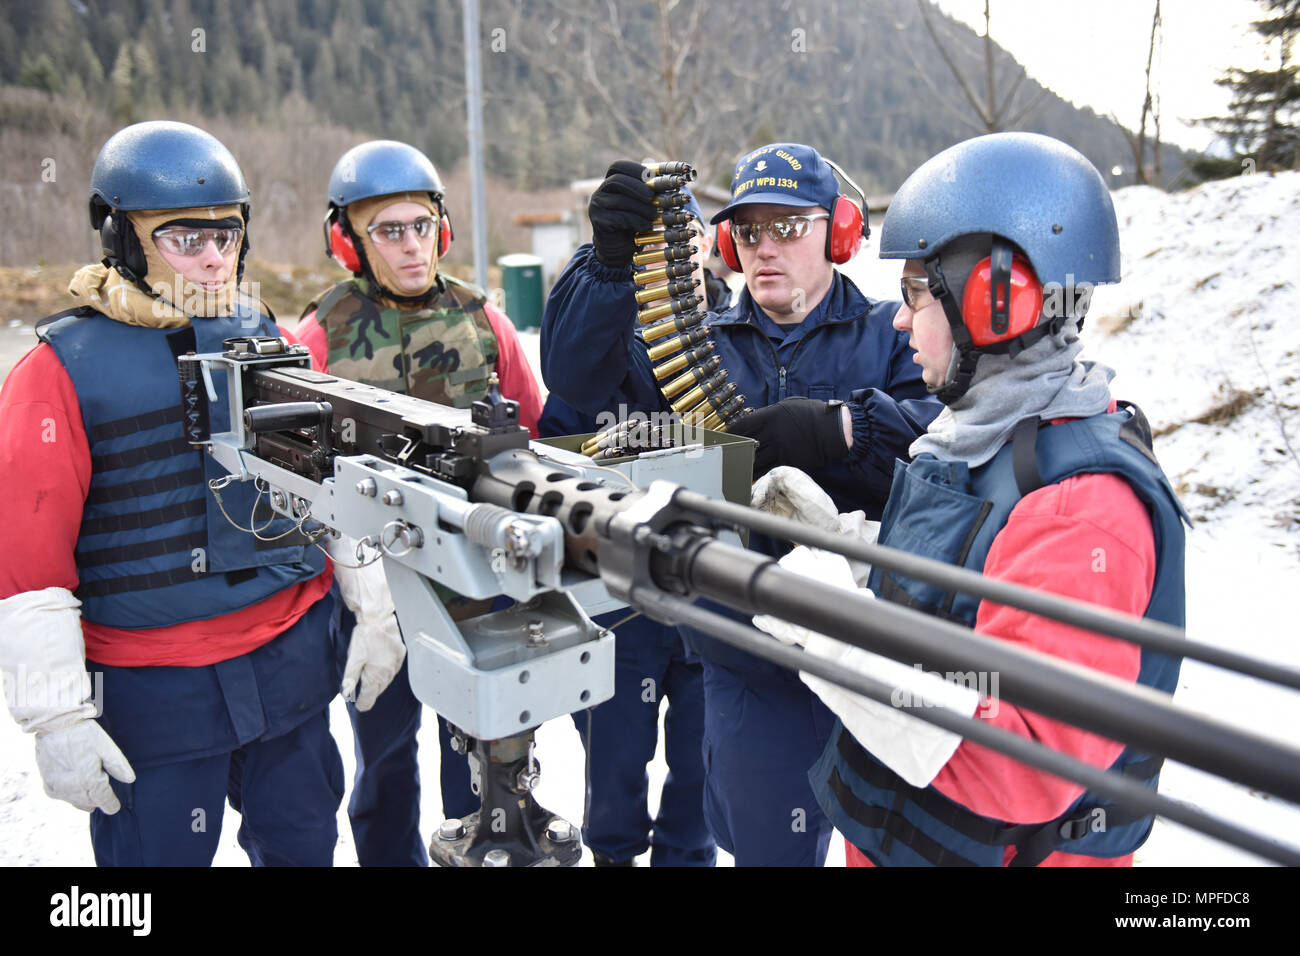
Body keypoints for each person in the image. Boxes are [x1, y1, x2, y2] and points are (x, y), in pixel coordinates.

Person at [0, 121, 400, 866]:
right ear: (123, 237)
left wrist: (374, 607)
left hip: (290, 669)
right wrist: (54, 716)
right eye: (186, 239)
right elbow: (28, 571)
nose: (215, 259)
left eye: (227, 235)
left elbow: (329, 485)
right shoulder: (57, 374)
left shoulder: (269, 337)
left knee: (304, 844)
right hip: (153, 696)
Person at [541, 145, 941, 866]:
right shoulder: (694, 346)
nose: (765, 248)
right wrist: (604, 268)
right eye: (749, 232)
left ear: (840, 231)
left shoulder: (897, 331)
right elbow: (575, 378)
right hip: (747, 657)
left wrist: (842, 428)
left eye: (789, 227)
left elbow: (945, 444)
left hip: (873, 649)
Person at [802, 131, 1188, 866]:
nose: (899, 318)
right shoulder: (980, 442)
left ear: (996, 301)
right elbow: (955, 595)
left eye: (917, 292)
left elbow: (1021, 758)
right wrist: (840, 553)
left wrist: (827, 633)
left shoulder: (1080, 507)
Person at [294, 139, 544, 867]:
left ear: (444, 228)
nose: (411, 246)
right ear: (350, 241)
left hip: (475, 581)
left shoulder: (482, 319)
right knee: (384, 767)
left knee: (483, 758)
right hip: (377, 596)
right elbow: (301, 480)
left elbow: (527, 432)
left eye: (422, 226)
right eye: (388, 230)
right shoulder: (317, 335)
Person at [538, 188, 722, 867]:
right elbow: (568, 399)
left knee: (701, 775)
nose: (675, 265)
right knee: (613, 772)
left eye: (687, 245)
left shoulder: (738, 333)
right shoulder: (595, 333)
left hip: (711, 597)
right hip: (616, 601)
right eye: (656, 253)